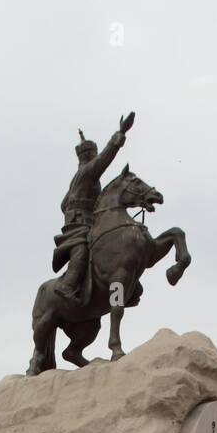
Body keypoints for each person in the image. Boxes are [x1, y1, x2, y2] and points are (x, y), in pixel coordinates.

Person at [53, 111, 135, 298]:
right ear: (90, 155)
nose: (97, 157)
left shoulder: (79, 179)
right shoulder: (87, 173)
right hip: (79, 225)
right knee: (81, 249)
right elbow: (105, 158)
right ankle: (68, 284)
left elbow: (63, 204)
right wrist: (121, 132)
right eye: (94, 154)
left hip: (89, 223)